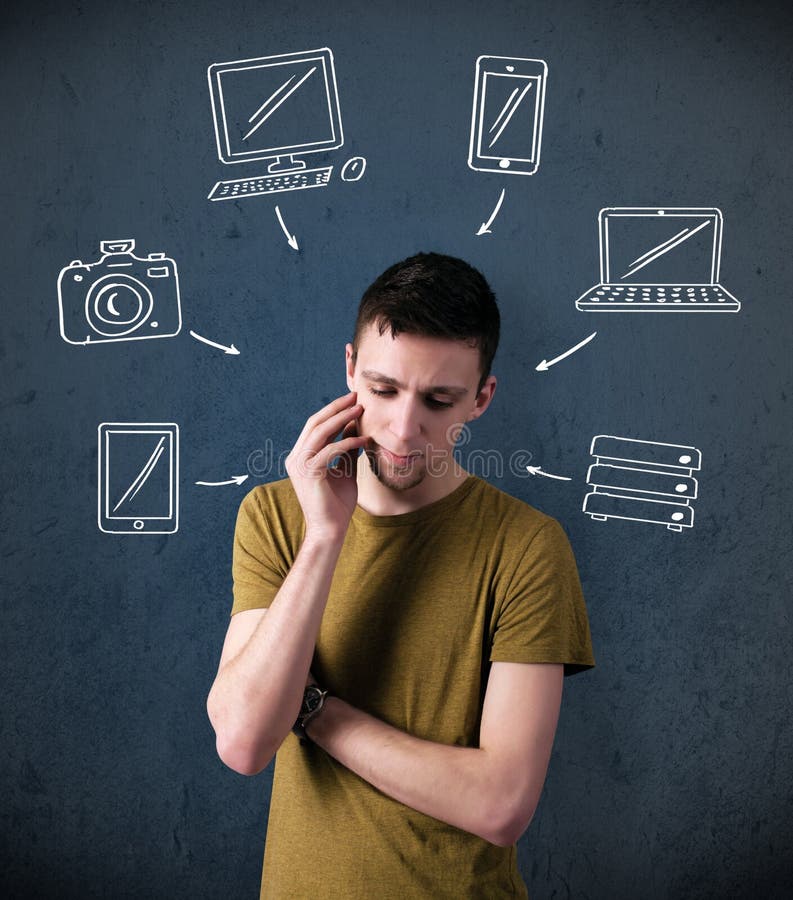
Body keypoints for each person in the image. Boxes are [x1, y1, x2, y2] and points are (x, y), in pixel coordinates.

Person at [206, 252, 595, 899]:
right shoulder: (274, 516)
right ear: (350, 369)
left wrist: (313, 709)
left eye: (438, 400)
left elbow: (501, 805)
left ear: (481, 398)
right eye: (383, 390)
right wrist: (324, 536)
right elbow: (244, 744)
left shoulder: (527, 546)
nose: (404, 428)